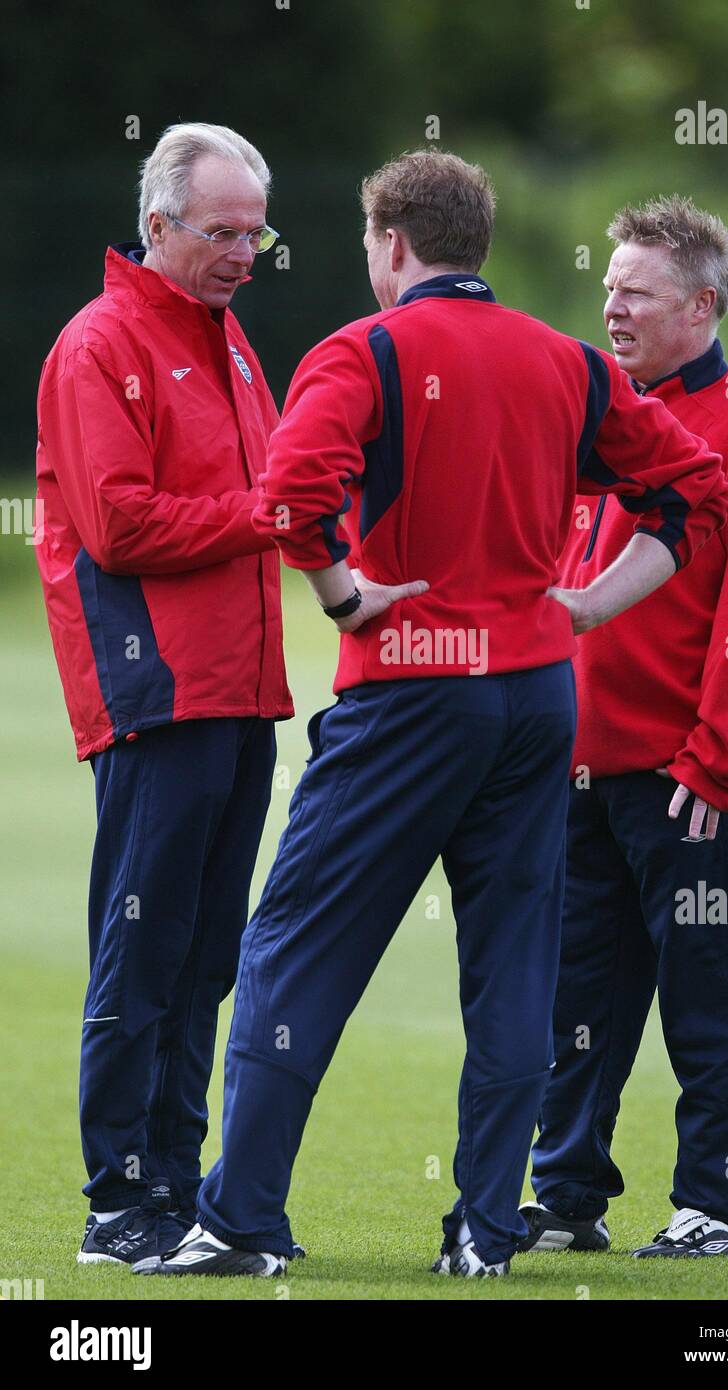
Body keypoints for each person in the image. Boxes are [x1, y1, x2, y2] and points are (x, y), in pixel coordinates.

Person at [141, 152, 728, 1281]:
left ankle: (240, 1223)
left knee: (293, 948)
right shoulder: (567, 362)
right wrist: (589, 606)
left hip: (410, 687)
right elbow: (692, 484)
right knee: (513, 966)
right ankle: (482, 1232)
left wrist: (343, 594)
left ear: (391, 245)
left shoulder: (360, 352)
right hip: (534, 695)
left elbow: (292, 497)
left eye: (370, 246)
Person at [520, 195, 728, 1259]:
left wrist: (720, 755)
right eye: (607, 287)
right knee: (572, 1007)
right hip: (581, 773)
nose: (610, 306)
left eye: (633, 292)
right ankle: (564, 1198)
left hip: (695, 782)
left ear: (699, 306)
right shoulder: (597, 418)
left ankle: (712, 1206)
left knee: (710, 1002)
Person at [34, 122, 293, 1269]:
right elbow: (118, 522)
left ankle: (176, 1187)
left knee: (207, 955)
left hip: (241, 690)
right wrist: (272, 513)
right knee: (143, 949)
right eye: (221, 231)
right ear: (158, 225)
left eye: (255, 232)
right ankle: (114, 1203)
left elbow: (286, 481)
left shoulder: (232, 341)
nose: (244, 252)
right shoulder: (101, 343)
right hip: (155, 690)